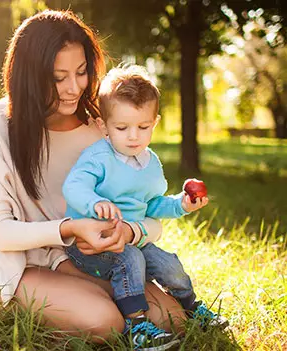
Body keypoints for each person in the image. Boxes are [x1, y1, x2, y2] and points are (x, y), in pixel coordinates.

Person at [0, 10, 186, 350]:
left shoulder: (101, 129)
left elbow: (148, 212)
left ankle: (89, 303)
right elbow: (0, 232)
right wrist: (70, 229)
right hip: (6, 261)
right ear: (29, 75)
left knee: (172, 318)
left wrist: (129, 231)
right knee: (103, 321)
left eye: (81, 72)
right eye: (58, 77)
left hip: (70, 257)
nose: (73, 88)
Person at [62, 65, 229, 335]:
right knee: (130, 261)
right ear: (104, 126)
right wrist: (94, 203)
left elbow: (152, 204)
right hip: (91, 245)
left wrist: (181, 205)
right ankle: (137, 325)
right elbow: (73, 187)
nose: (133, 136)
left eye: (143, 127)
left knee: (170, 266)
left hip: (134, 238)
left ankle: (192, 306)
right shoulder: (98, 157)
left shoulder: (150, 163)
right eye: (122, 127)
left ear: (155, 123)